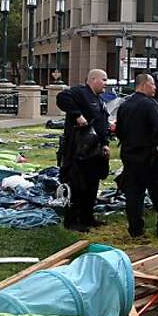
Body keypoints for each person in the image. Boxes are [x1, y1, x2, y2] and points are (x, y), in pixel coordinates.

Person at [114, 73, 158, 238]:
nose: (155, 88)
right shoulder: (149, 104)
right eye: (153, 84)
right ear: (144, 84)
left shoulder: (125, 105)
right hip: (149, 156)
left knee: (133, 194)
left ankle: (135, 229)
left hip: (129, 155)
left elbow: (119, 130)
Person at [56, 68, 111, 232]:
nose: (106, 84)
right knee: (77, 185)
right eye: (104, 80)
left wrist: (105, 143)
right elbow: (62, 97)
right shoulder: (80, 93)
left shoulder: (99, 100)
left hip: (95, 151)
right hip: (78, 151)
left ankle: (88, 217)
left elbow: (102, 125)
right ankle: (72, 221)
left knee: (92, 186)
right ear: (93, 79)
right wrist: (77, 114)